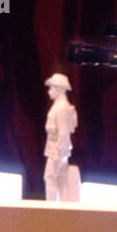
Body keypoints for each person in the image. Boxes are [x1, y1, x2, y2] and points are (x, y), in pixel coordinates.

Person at [43, 73, 80, 202]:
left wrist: (58, 152)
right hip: (56, 148)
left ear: (58, 89)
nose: (49, 91)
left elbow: (64, 132)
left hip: (57, 149)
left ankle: (51, 208)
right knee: (60, 179)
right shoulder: (59, 106)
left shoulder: (61, 108)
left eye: (52, 88)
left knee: (51, 178)